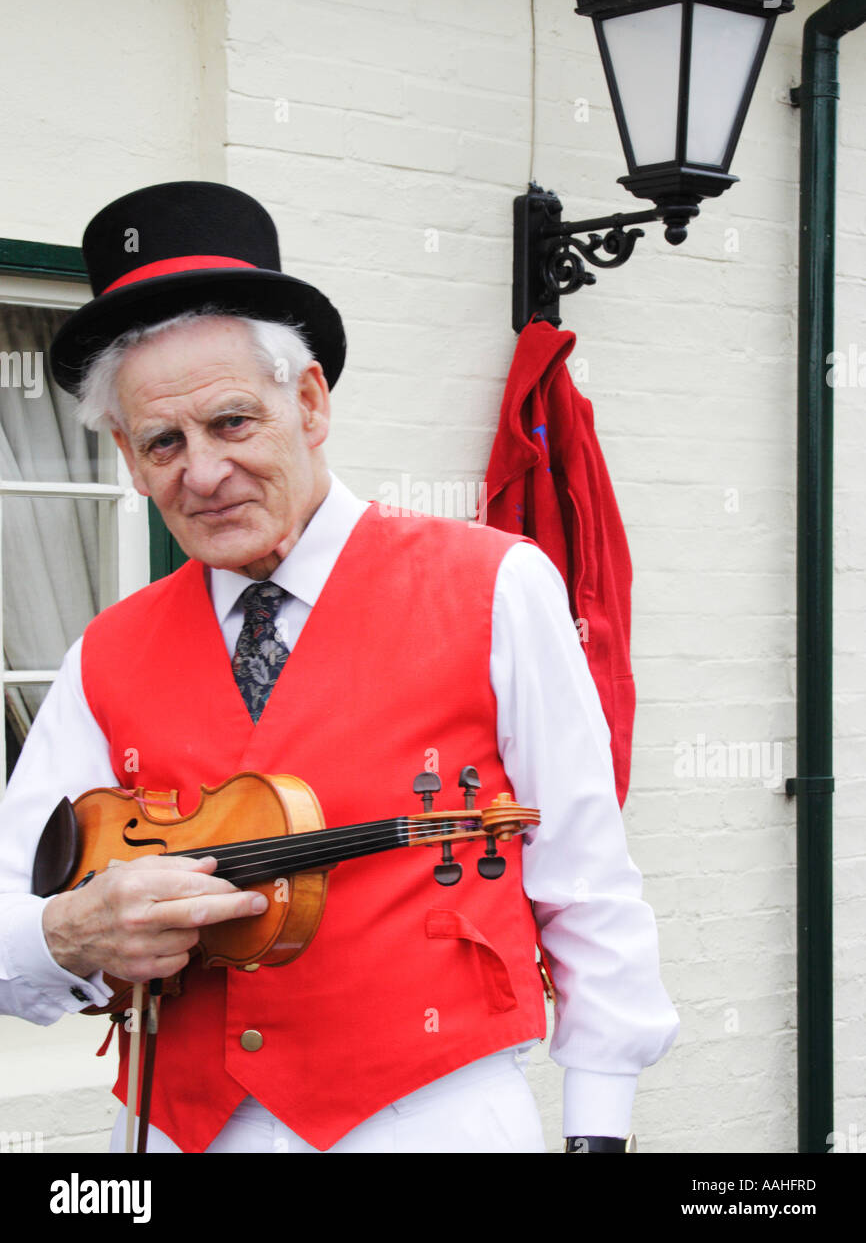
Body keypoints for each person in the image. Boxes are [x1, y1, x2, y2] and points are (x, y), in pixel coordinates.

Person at [0, 181, 678, 1154]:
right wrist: (66, 934)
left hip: (431, 1119)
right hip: (172, 1131)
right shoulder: (104, 650)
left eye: (232, 422)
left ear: (308, 401)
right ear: (126, 453)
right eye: (162, 441)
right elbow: (10, 911)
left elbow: (585, 878)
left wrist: (597, 1130)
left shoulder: (495, 583)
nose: (199, 472)